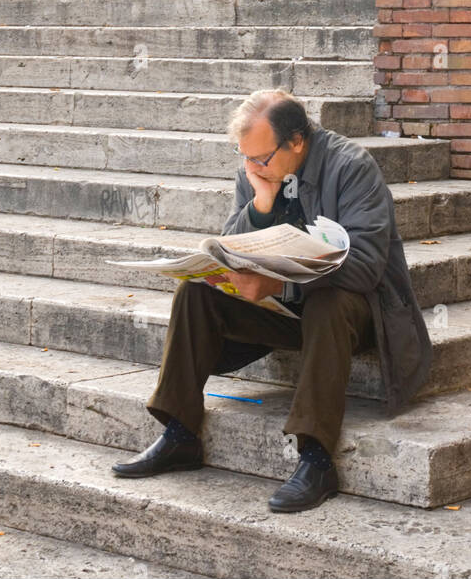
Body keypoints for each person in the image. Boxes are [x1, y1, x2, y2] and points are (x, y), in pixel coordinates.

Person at [111, 89, 432, 512]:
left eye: (260, 159)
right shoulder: (256, 170)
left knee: (328, 303)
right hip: (286, 313)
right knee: (195, 293)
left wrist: (280, 287)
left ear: (296, 141)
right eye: (243, 157)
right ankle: (180, 435)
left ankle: (316, 460)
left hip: (360, 313)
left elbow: (367, 268)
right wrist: (261, 205)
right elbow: (230, 245)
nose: (250, 168)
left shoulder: (352, 168)